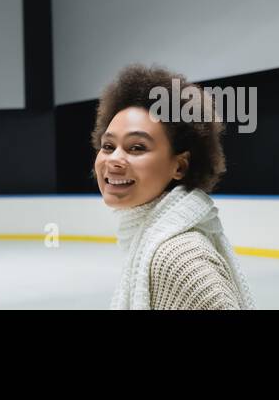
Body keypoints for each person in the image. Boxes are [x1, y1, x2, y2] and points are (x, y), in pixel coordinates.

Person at [93, 64, 256, 310]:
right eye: (108, 146)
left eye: (136, 147)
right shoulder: (152, 243)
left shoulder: (180, 258)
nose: (114, 159)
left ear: (179, 166)